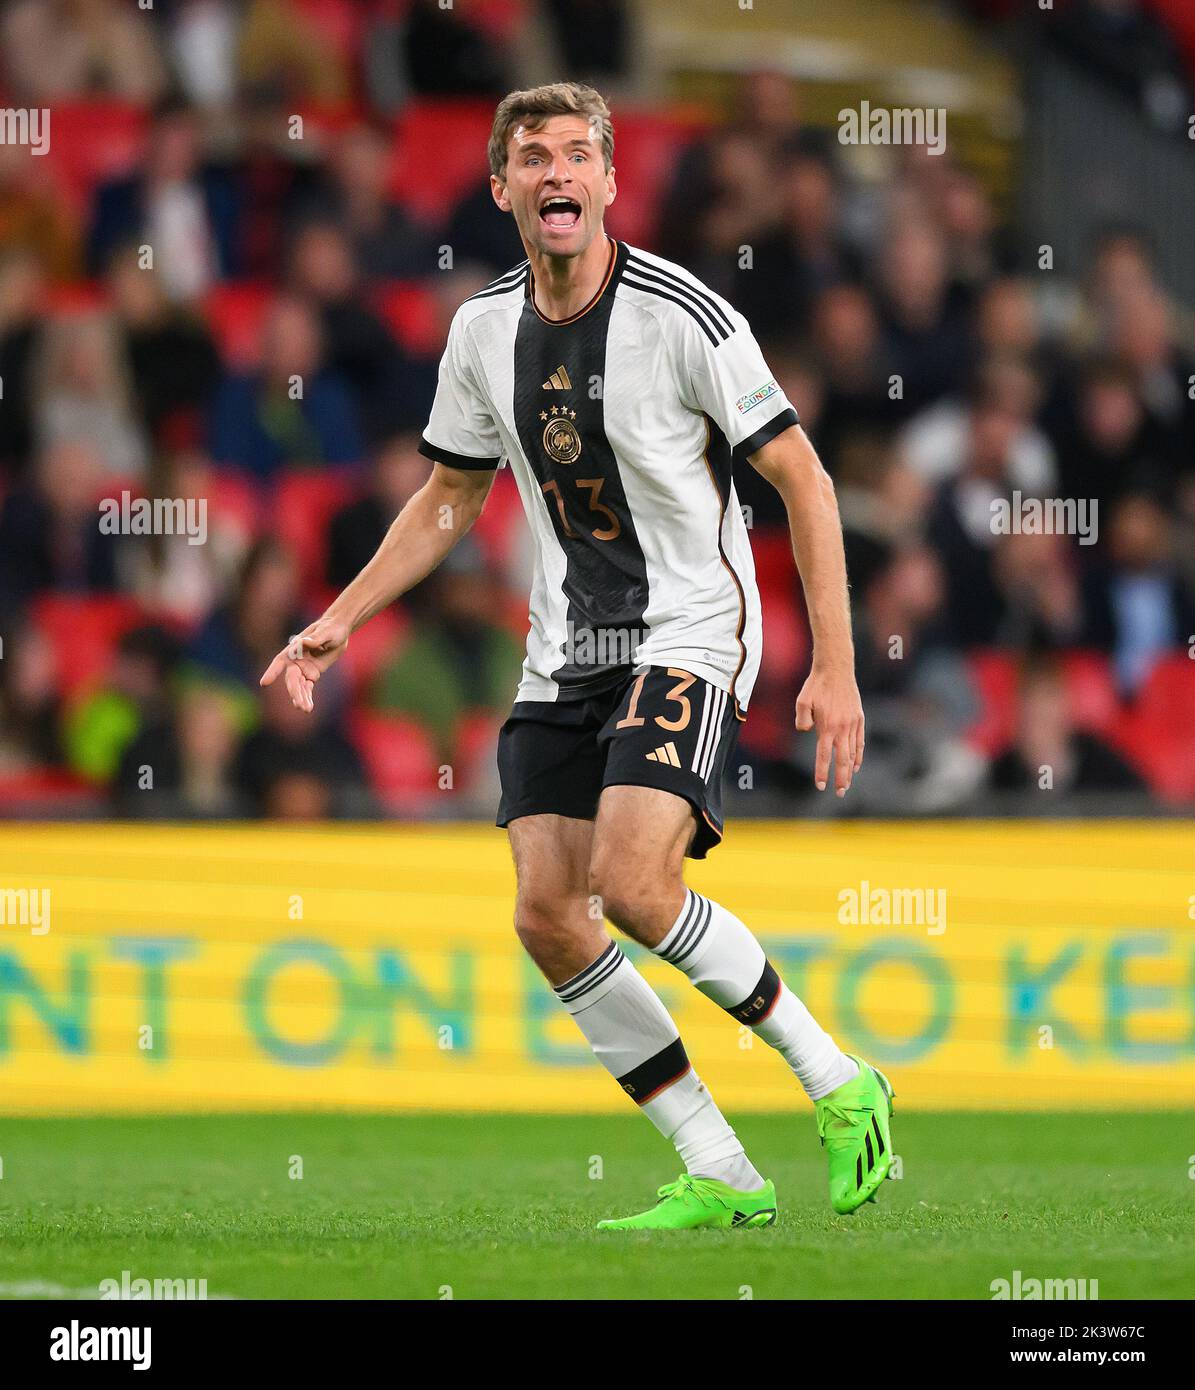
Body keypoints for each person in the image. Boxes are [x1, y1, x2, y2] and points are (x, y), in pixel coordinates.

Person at [260, 82, 892, 1230]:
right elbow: (451, 497)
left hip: (688, 627)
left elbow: (803, 477)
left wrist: (835, 666)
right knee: (549, 913)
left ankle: (837, 1079)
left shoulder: (686, 316)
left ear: (608, 182)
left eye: (576, 155)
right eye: (532, 158)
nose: (556, 174)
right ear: (501, 188)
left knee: (635, 881)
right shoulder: (481, 331)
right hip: (565, 649)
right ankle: (719, 1167)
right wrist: (340, 615)